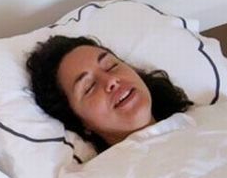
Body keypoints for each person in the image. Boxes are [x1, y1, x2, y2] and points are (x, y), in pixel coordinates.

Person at [26, 35, 192, 153]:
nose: (111, 80)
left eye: (111, 66)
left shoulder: (204, 117)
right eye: (89, 87)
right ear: (81, 123)